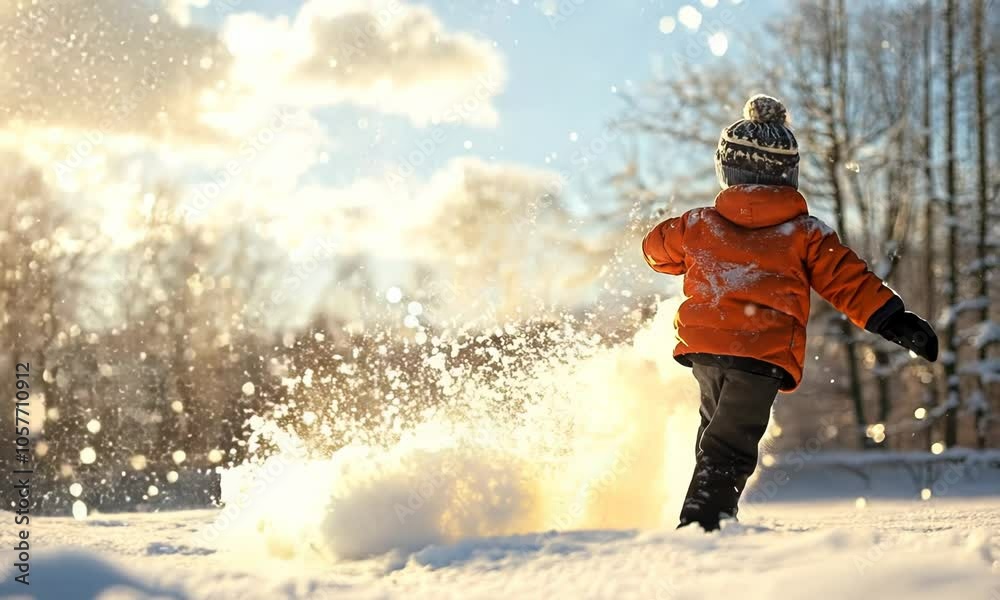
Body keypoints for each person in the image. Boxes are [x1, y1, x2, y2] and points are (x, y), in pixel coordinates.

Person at [641, 94, 938, 531]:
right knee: (730, 443)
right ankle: (703, 524)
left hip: (705, 349)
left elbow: (655, 252)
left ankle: (709, 517)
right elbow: (848, 283)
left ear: (727, 172)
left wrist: (680, 235)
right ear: (788, 175)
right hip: (760, 354)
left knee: (715, 436)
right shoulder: (806, 234)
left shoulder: (699, 223)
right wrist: (896, 321)